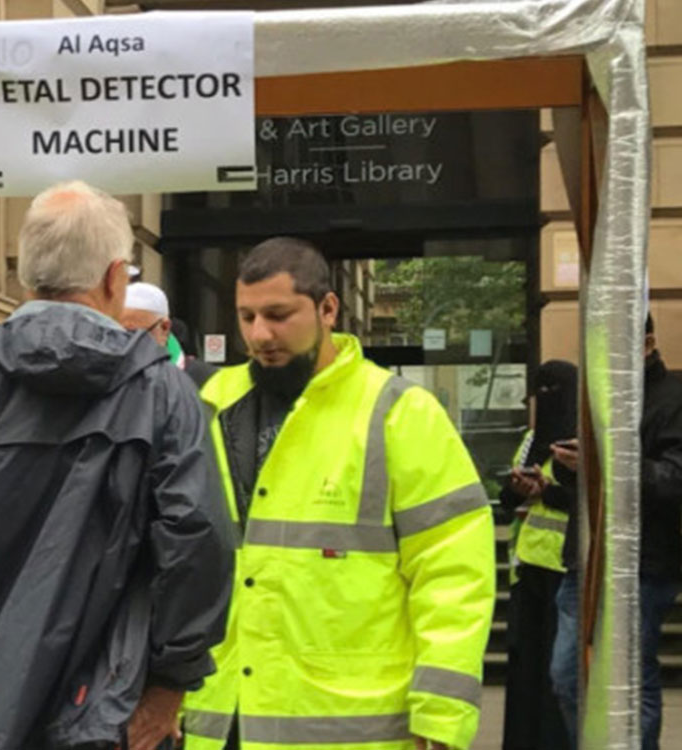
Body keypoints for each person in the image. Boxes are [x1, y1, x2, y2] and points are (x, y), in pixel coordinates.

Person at [0, 180, 238, 750]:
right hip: (110, 712)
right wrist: (169, 681)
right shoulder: (162, 393)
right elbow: (197, 545)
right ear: (114, 277)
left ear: (27, 276)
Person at [180, 237, 496, 750]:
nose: (259, 334)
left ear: (328, 309)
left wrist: (440, 717)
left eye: (278, 315)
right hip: (220, 721)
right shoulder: (208, 404)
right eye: (247, 317)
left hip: (353, 729)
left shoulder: (400, 414)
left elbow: (453, 573)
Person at [549, 313, 682, 750]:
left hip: (645, 561)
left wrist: (602, 462)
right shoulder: (598, 396)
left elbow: (672, 482)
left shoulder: (673, 398)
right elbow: (579, 479)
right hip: (587, 558)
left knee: (631, 676)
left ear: (647, 344)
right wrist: (567, 467)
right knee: (567, 673)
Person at [499, 361, 576, 750]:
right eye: (540, 391)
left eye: (554, 391)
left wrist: (549, 491)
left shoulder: (581, 442)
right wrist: (519, 489)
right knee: (525, 666)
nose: (544, 399)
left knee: (557, 671)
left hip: (567, 570)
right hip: (528, 568)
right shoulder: (532, 439)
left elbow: (593, 502)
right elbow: (506, 500)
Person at [120, 282, 216, 388]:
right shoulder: (109, 378)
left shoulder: (207, 380)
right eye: (120, 333)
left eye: (136, 334)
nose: (129, 343)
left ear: (165, 328)